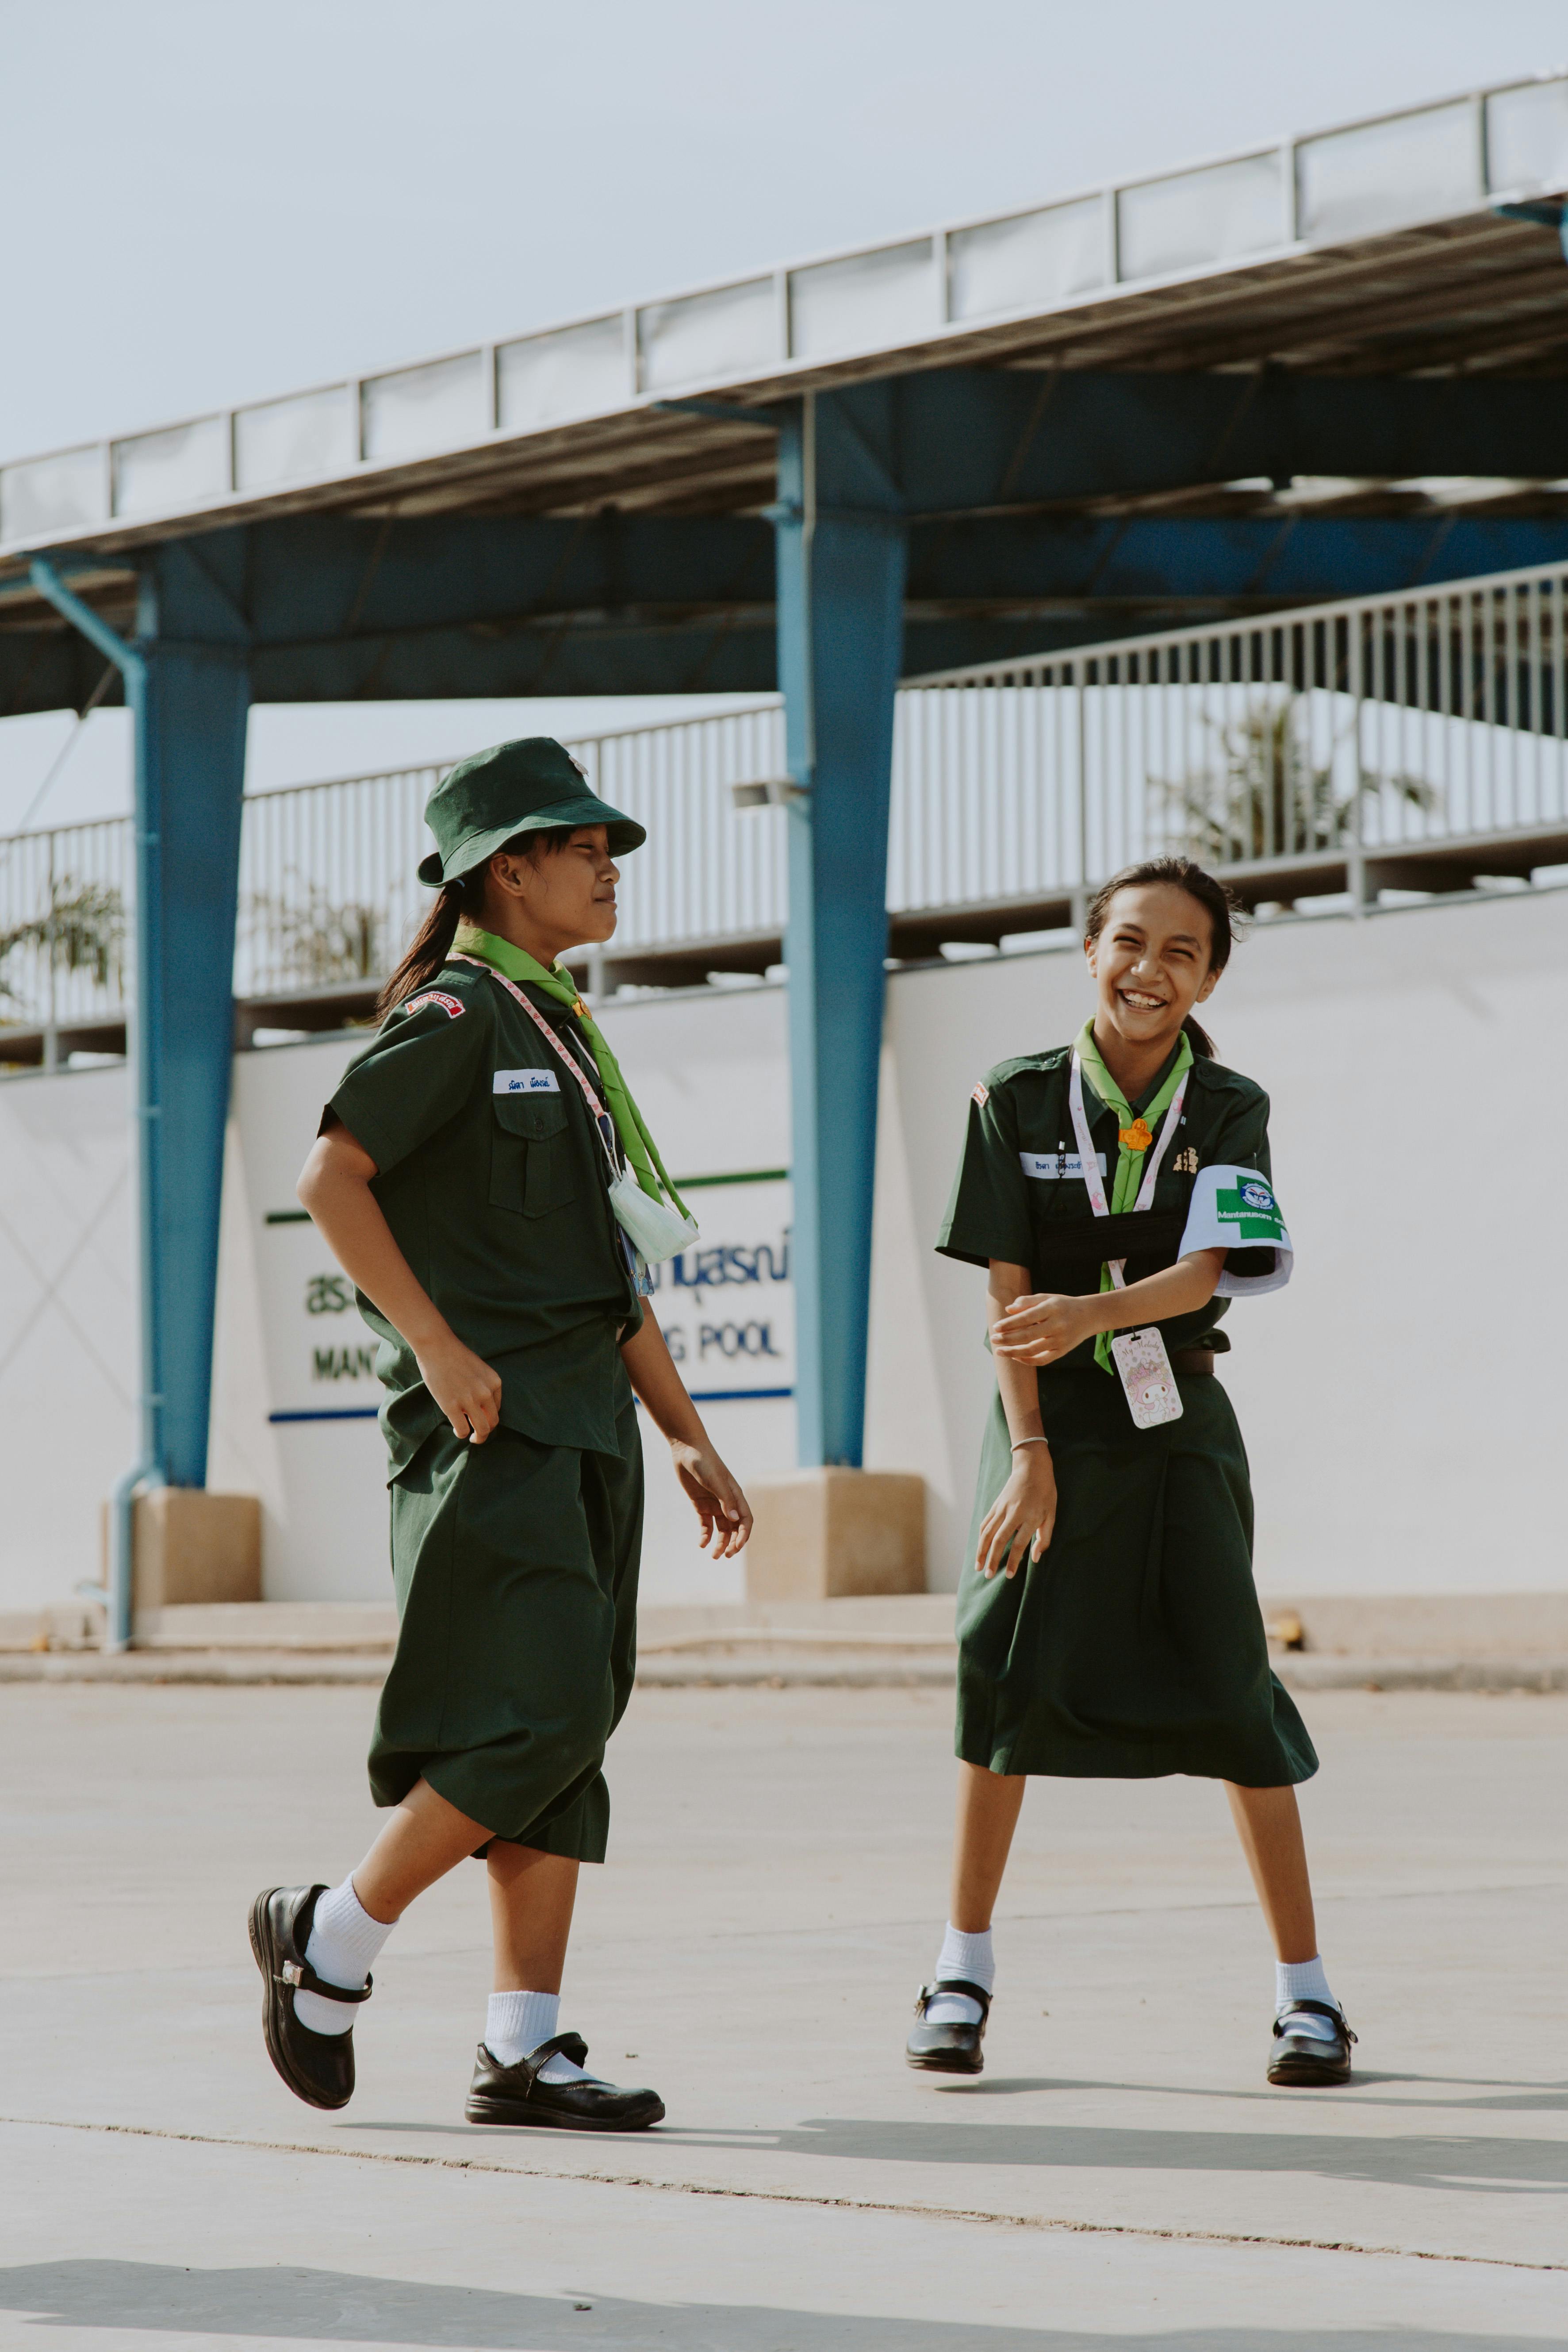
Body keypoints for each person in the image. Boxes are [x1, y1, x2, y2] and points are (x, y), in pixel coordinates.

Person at [250, 737, 752, 2132]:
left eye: (604, 847)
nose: (605, 867)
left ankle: (521, 2046)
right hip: (490, 1432)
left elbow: (610, 1273)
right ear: (504, 869)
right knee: (531, 1712)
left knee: (572, 1729)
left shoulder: (559, 1030)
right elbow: (330, 1177)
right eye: (578, 846)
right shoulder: (464, 1017)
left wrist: (687, 1433)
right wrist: (434, 1340)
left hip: (586, 1425)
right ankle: (331, 1936)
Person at [905, 856, 1353, 2090]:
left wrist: (1086, 1318)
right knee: (994, 1678)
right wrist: (1031, 1454)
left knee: (1232, 1687)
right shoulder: (1013, 1098)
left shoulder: (1228, 1104)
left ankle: (1306, 1999)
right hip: (1045, 1430)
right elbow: (1006, 1301)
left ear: (1209, 975)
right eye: (1127, 943)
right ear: (1088, 950)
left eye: (1179, 953)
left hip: (1176, 1423)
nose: (1147, 970)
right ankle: (959, 1972)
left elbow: (1208, 1274)